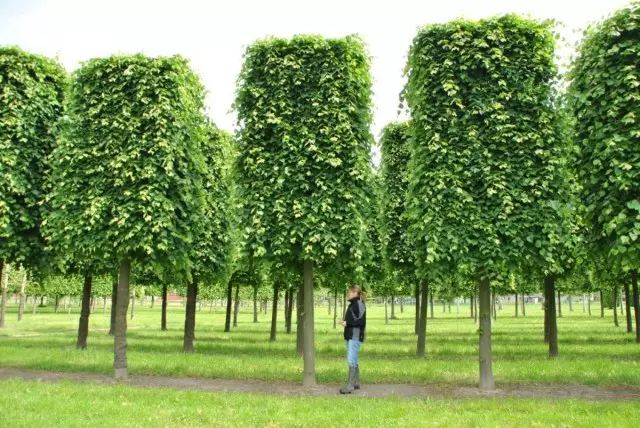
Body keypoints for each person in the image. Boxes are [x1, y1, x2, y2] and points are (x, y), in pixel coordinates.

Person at [339, 284, 366, 394]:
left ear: (355, 292)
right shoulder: (352, 304)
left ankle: (350, 386)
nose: (348, 294)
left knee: (351, 360)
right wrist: (346, 323)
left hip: (355, 335)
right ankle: (356, 383)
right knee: (353, 359)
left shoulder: (359, 304)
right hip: (350, 335)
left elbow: (361, 321)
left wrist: (347, 323)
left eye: (349, 292)